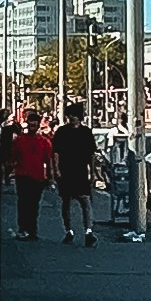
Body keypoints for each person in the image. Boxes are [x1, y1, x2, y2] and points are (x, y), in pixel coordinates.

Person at [52, 101, 102, 245]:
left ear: (80, 117)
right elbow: (56, 152)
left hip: (80, 171)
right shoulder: (62, 131)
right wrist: (56, 170)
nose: (72, 118)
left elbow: (91, 153)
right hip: (66, 170)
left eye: (75, 115)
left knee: (85, 200)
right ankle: (69, 230)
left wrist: (92, 173)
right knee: (66, 201)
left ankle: (88, 231)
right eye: (70, 115)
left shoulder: (86, 132)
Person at [11, 107, 56, 241]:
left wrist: (50, 178)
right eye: (31, 125)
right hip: (23, 175)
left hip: (37, 177)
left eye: (34, 125)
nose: (32, 127)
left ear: (38, 125)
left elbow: (49, 161)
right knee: (24, 203)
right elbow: (14, 157)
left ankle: (31, 229)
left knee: (33, 204)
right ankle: (24, 228)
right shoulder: (20, 140)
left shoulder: (44, 141)